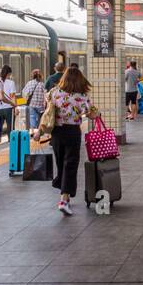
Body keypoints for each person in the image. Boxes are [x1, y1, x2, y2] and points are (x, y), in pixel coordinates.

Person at [45, 64, 97, 215]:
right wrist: (96, 114)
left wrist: (40, 131)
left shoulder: (54, 93)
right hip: (72, 133)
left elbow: (47, 112)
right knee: (70, 165)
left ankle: (64, 194)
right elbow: (91, 114)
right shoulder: (81, 96)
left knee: (61, 164)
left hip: (56, 133)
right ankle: (63, 199)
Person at [0, 64, 17, 139]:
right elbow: (12, 96)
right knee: (10, 127)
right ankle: (11, 141)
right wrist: (15, 106)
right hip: (9, 108)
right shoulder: (11, 83)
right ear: (9, 73)